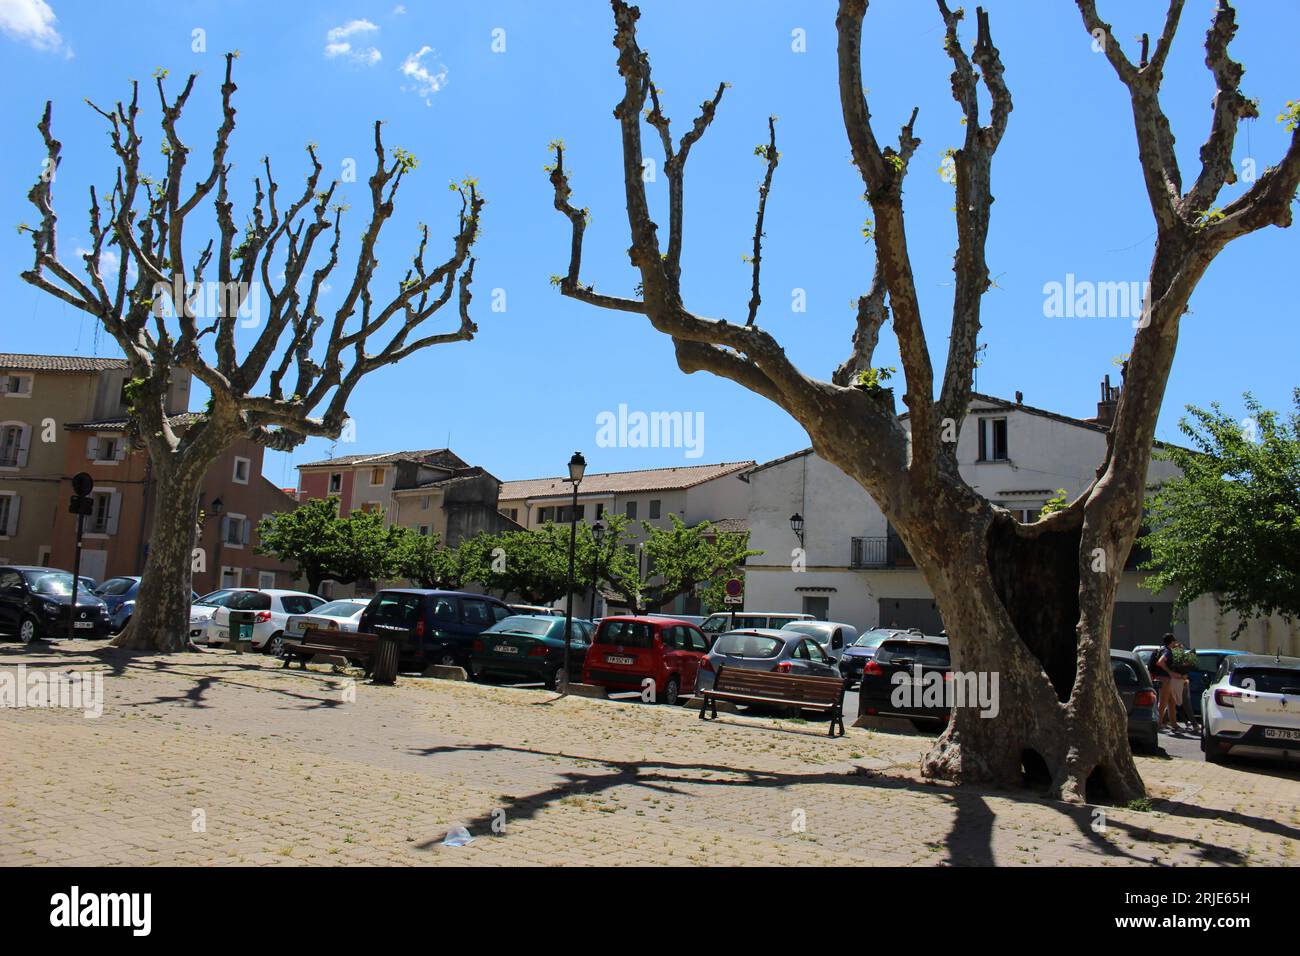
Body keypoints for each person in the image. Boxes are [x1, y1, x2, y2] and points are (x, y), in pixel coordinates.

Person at [1152, 633, 1178, 731]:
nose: (1175, 642)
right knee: (1163, 702)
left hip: (1164, 678)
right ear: (1171, 642)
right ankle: (1158, 723)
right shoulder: (1167, 651)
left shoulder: (1162, 649)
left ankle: (1174, 724)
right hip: (1165, 679)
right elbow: (1160, 662)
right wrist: (1170, 672)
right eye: (1174, 641)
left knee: (1172, 701)